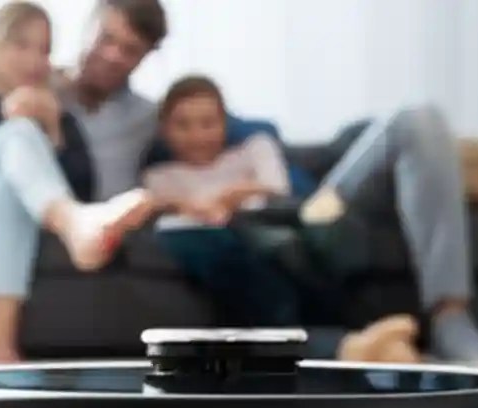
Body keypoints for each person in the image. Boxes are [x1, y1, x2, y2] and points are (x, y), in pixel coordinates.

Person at [57, 0, 478, 362]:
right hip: (254, 232)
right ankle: (355, 344)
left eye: (130, 48)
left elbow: (227, 133)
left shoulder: (152, 117)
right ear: (87, 26)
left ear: (147, 57)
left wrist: (258, 175)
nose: (114, 54)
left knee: (418, 119)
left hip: (314, 207)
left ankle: (451, 320)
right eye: (107, 38)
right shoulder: (52, 95)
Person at [0, 1, 154, 363]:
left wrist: (52, 129)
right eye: (22, 45)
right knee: (17, 135)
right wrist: (8, 128)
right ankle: (76, 225)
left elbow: (83, 187)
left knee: (7, 187)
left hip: (18, 205)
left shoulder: (62, 119)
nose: (34, 59)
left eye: (45, 49)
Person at [143, 75, 419, 363]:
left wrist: (229, 195)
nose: (197, 136)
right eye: (182, 125)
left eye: (207, 123)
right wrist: (199, 206)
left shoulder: (254, 148)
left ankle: (360, 341)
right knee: (235, 266)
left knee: (315, 247)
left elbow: (277, 188)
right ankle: (351, 346)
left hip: (272, 237)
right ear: (164, 129)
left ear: (225, 122)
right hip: (220, 248)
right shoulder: (160, 176)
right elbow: (164, 207)